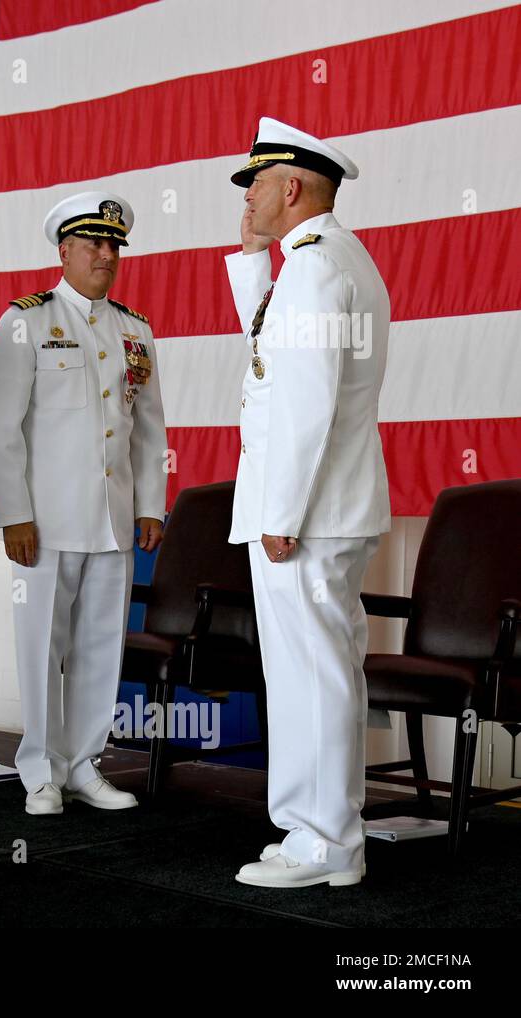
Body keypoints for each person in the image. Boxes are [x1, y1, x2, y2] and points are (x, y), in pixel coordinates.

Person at [223, 117, 390, 888]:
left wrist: (280, 515)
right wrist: (255, 257)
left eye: (256, 182)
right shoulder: (321, 262)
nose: (247, 195)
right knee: (307, 671)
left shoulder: (319, 270)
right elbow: (273, 353)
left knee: (315, 674)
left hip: (307, 514)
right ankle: (306, 830)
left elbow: (304, 405)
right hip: (319, 510)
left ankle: (327, 841)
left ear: (292, 187)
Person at [0, 191, 167, 816]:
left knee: (99, 645)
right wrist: (13, 512)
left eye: (114, 245)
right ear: (65, 251)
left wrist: (150, 506)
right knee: (41, 645)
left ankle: (85, 763)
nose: (107, 255)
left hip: (112, 519)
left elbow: (148, 427)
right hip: (46, 519)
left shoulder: (134, 329)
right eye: (94, 244)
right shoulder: (26, 320)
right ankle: (40, 770)